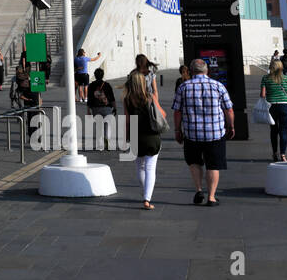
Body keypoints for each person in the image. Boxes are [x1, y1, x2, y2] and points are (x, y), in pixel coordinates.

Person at [172, 58, 235, 206]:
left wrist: (177, 130)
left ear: (191, 71)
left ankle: (199, 190)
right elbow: (229, 109)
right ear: (206, 70)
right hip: (215, 134)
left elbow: (177, 111)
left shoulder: (183, 87)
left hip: (192, 133)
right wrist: (231, 126)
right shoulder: (218, 86)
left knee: (194, 162)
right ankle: (211, 197)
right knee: (213, 165)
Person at [124, 65, 164, 209]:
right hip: (151, 136)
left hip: (136, 136)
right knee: (150, 168)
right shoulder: (150, 97)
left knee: (140, 167)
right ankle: (147, 198)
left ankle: (145, 193)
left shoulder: (127, 100)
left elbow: (127, 122)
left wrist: (127, 138)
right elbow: (162, 114)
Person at [260, 60, 287, 162]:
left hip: (271, 106)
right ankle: (283, 155)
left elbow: (262, 95)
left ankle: (275, 153)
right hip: (284, 106)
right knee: (283, 131)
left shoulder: (265, 78)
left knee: (273, 131)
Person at [86, 66, 117, 150]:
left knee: (99, 126)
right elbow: (112, 98)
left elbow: (89, 99)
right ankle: (107, 141)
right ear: (102, 75)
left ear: (95, 75)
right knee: (107, 125)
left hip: (95, 108)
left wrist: (88, 110)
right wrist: (115, 108)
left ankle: (100, 145)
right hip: (107, 108)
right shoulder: (107, 85)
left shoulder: (91, 86)